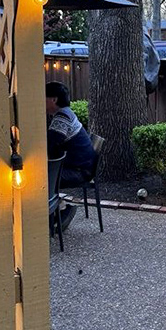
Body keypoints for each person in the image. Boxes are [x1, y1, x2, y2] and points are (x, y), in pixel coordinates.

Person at [46, 81, 96, 230]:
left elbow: (50, 147)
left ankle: (61, 210)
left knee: (39, 181)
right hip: (82, 167)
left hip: (79, 172)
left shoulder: (61, 120)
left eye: (44, 97)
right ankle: (57, 210)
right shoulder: (66, 114)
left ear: (54, 99)